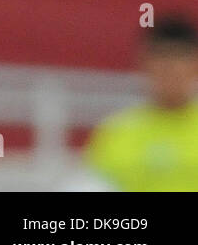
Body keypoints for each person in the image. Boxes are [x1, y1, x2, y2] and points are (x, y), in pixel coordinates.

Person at [81, 16, 198, 191]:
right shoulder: (117, 132)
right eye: (161, 57)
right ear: (144, 62)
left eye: (179, 56)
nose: (170, 67)